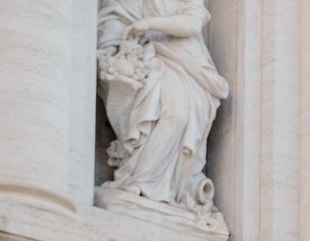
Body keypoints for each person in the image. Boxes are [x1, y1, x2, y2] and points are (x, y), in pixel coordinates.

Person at [97, 0, 229, 217]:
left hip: (188, 64)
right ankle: (138, 182)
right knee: (157, 112)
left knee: (178, 115)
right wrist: (112, 51)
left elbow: (192, 24)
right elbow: (116, 16)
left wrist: (148, 23)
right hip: (149, 60)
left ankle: (163, 188)